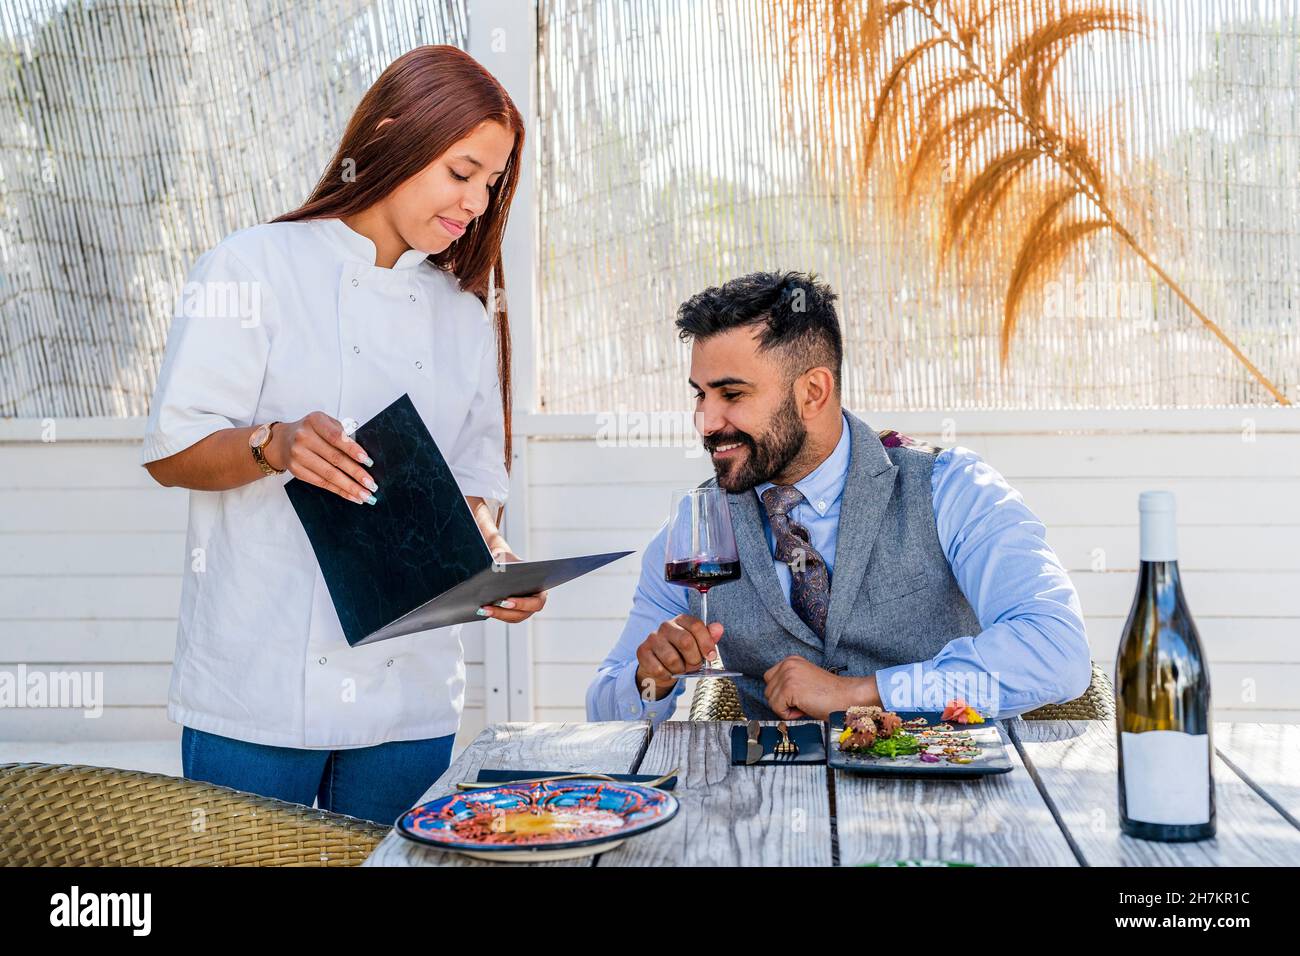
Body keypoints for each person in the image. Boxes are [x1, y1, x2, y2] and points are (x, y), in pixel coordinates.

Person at [140, 45, 545, 825]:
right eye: (461, 173)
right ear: (395, 135)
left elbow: (474, 490)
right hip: (256, 688)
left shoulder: (462, 315)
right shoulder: (250, 269)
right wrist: (275, 445)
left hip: (409, 698)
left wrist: (492, 561)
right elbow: (171, 451)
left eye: (491, 184)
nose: (474, 201)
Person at [587, 271, 1091, 724]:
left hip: (951, 795)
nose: (706, 421)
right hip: (773, 809)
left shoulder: (950, 487)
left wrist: (863, 692)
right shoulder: (697, 525)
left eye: (732, 395)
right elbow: (604, 708)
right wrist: (650, 679)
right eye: (700, 394)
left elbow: (1056, 650)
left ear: (813, 392)